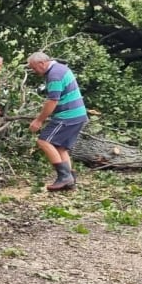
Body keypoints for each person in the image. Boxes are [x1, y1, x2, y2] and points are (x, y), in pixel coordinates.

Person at [27, 51, 88, 191]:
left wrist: (39, 120)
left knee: (44, 141)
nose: (34, 71)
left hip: (68, 115)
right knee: (60, 147)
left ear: (42, 63)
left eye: (34, 67)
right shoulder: (61, 68)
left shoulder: (54, 74)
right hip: (78, 114)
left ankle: (64, 177)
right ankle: (70, 181)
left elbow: (53, 100)